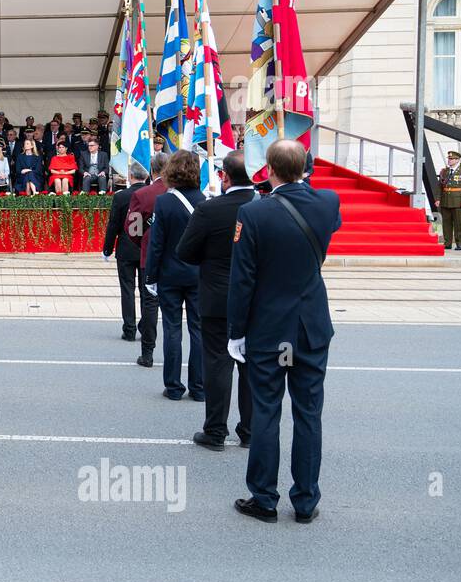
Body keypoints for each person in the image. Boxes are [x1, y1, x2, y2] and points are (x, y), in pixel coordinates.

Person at [228, 139, 342, 524]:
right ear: (305, 168)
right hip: (310, 326)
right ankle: (306, 500)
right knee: (309, 414)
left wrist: (236, 331)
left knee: (267, 412)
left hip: (269, 329)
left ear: (269, 169)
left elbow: (242, 281)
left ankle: (264, 496)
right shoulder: (328, 203)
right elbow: (329, 224)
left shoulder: (253, 213)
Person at [177, 151, 256, 450]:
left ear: (224, 176)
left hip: (218, 296)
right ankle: (249, 430)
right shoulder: (264, 205)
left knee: (218, 364)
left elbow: (185, 252)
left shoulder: (211, 209)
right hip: (254, 300)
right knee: (250, 365)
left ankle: (215, 430)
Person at [145, 150, 205, 402]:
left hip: (170, 273)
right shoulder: (205, 200)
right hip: (198, 275)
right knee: (198, 330)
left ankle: (173, 386)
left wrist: (150, 276)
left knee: (172, 329)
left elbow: (156, 244)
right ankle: (199, 387)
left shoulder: (165, 202)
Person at [126, 152, 169, 368]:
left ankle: (148, 352)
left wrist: (143, 242)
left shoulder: (143, 194)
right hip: (178, 258)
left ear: (152, 170)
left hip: (150, 255)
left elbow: (132, 229)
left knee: (149, 303)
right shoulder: (180, 192)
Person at [102, 161, 150, 342]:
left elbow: (113, 224)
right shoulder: (153, 195)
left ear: (130, 176)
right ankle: (146, 327)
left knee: (127, 290)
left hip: (126, 247)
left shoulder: (121, 196)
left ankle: (129, 329)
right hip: (146, 248)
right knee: (146, 291)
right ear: (146, 177)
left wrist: (107, 248)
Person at [436, 150, 461, 251]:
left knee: (459, 223)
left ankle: (460, 243)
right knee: (446, 223)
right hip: (445, 201)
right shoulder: (445, 171)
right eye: (449, 158)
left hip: (458, 201)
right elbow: (440, 187)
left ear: (457, 160)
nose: (449, 160)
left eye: (451, 159)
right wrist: (438, 199)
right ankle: (447, 243)